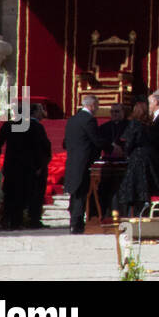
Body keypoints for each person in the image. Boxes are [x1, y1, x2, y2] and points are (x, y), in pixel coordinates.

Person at [0, 101, 52, 230]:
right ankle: (17, 221)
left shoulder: (8, 125)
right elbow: (43, 147)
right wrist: (41, 165)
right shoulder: (34, 126)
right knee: (23, 194)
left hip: (11, 165)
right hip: (28, 166)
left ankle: (7, 219)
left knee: (10, 193)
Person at [114, 100, 159, 218]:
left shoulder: (135, 123)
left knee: (134, 190)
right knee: (144, 189)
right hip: (149, 158)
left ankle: (133, 216)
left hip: (137, 158)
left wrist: (125, 152)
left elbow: (129, 142)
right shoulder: (151, 124)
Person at [63, 95, 101, 235]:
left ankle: (73, 222)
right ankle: (76, 224)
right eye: (97, 105)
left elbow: (65, 142)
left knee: (75, 192)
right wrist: (110, 148)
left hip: (73, 160)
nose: (97, 108)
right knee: (80, 193)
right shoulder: (89, 119)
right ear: (91, 105)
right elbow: (95, 139)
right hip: (83, 161)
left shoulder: (72, 119)